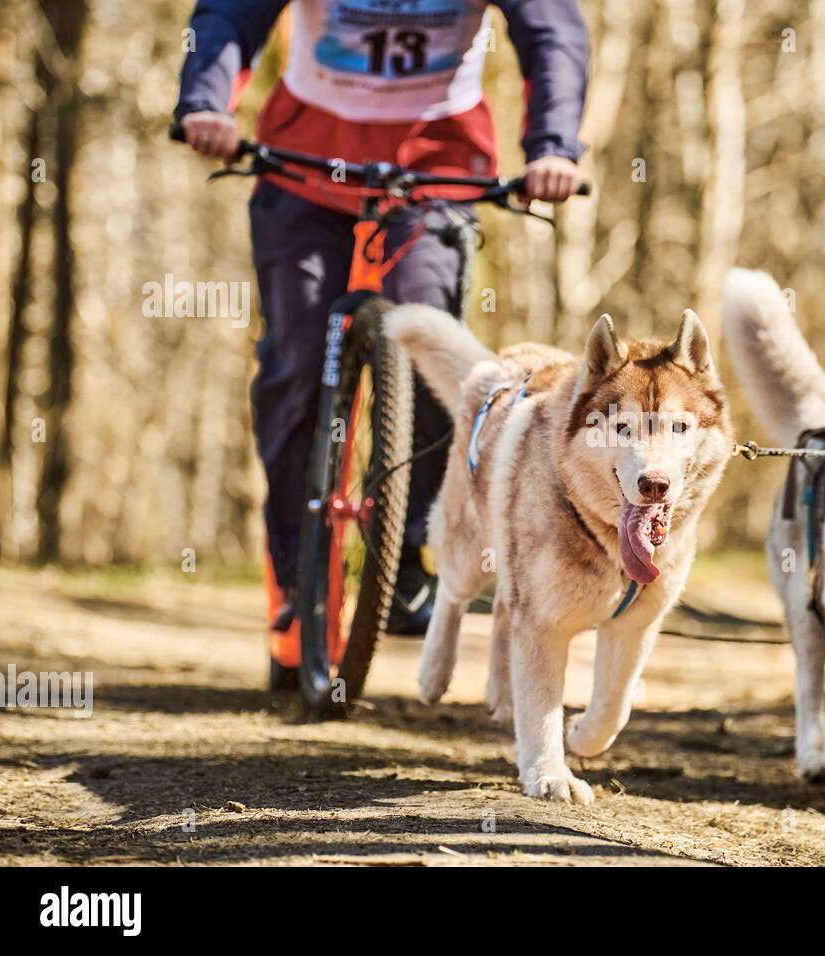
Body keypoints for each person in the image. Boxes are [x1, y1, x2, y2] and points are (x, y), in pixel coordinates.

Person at [174, 0, 588, 633]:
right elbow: (230, 15)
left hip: (438, 171)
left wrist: (553, 146)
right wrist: (206, 102)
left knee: (435, 359)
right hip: (304, 170)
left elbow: (551, 33)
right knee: (295, 367)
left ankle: (406, 553)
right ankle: (295, 575)